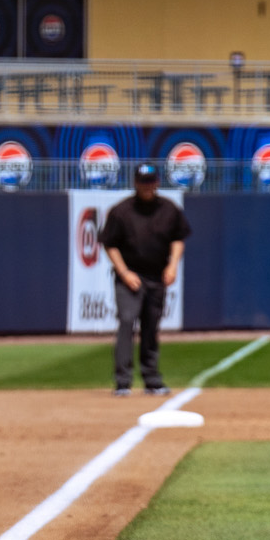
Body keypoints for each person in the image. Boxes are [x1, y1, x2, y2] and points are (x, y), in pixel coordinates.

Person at [100, 162, 189, 398]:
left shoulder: (169, 209)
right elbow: (109, 244)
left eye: (150, 182)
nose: (147, 187)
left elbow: (179, 238)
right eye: (143, 182)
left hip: (156, 276)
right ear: (135, 183)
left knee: (151, 327)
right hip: (129, 277)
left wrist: (172, 265)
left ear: (157, 182)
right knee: (127, 322)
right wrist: (124, 273)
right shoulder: (122, 211)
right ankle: (122, 381)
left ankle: (152, 380)